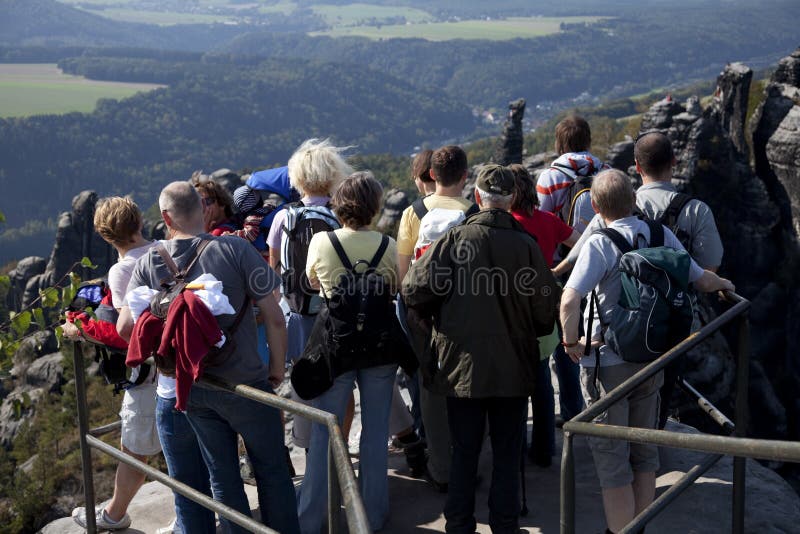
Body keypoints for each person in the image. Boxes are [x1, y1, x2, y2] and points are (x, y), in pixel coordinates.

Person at [117, 181, 300, 534]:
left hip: (193, 386)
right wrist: (276, 370)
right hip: (245, 381)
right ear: (202, 208)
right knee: (272, 470)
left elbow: (127, 328)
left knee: (223, 479)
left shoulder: (149, 262)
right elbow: (275, 317)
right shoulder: (236, 250)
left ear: (165, 216)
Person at [559, 169, 733, 534]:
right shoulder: (660, 233)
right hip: (653, 360)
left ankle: (620, 531)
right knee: (644, 452)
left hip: (608, 363)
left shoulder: (600, 242)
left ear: (594, 206)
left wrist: (571, 343)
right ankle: (640, 526)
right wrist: (723, 284)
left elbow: (570, 298)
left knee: (612, 458)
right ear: (634, 200)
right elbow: (699, 277)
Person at [403, 164, 557, 534]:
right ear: (513, 200)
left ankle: (459, 523)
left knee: (464, 450)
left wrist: (435, 321)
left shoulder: (454, 241)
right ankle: (505, 524)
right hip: (514, 366)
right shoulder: (527, 246)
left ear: (477, 198)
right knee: (507, 451)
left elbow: (412, 289)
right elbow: (544, 312)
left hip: (461, 366)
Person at [296, 172, 403, 533]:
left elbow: (312, 283)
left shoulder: (322, 242)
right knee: (374, 433)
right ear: (374, 206)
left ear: (338, 205)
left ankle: (311, 517)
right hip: (379, 345)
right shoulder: (388, 245)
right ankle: (371, 516)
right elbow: (397, 286)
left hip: (335, 345)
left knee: (325, 431)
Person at [68, 197, 165, 532]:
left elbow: (129, 331)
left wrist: (81, 329)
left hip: (150, 372)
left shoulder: (122, 269)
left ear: (105, 236)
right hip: (180, 364)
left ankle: (113, 516)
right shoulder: (164, 248)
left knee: (134, 448)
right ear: (140, 222)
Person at [395, 145, 477, 492]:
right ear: (464, 176)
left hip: (423, 315)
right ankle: (468, 466)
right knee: (468, 389)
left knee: (431, 390)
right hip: (466, 313)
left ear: (430, 176)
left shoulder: (413, 213)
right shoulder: (474, 212)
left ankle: (440, 468)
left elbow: (402, 273)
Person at [267, 138, 350, 451]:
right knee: (340, 384)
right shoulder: (340, 214)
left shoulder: (282, 218)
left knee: (304, 381)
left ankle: (308, 445)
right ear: (331, 176)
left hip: (297, 313)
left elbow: (273, 266)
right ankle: (338, 450)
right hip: (334, 314)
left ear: (297, 179)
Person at [536, 115, 608, 426]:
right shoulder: (606, 170)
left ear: (559, 142)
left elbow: (541, 220)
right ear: (587, 139)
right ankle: (604, 404)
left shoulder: (550, 177)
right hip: (603, 260)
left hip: (562, 265)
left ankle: (572, 413)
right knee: (600, 330)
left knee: (567, 335)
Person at [508, 163, 578, 467]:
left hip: (514, 307)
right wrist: (560, 271)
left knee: (515, 380)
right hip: (547, 301)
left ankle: (515, 444)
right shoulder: (548, 220)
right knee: (542, 378)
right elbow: (581, 243)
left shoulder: (508, 224)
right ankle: (545, 447)